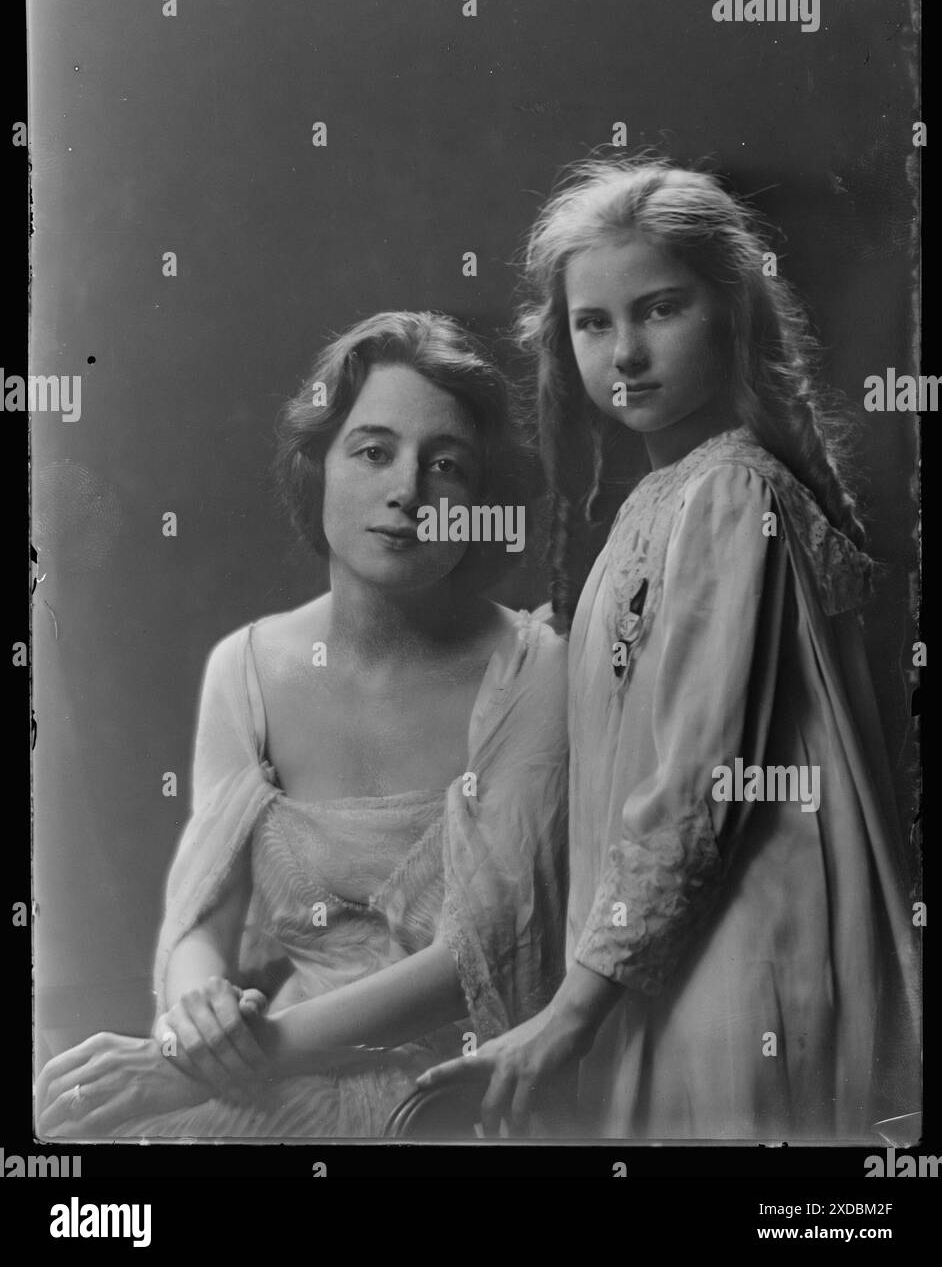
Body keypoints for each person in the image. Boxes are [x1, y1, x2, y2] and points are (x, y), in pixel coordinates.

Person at [418, 155, 921, 1141]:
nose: (627, 353)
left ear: (732, 312)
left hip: (748, 957)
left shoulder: (733, 493)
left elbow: (701, 785)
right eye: (594, 322)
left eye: (660, 309)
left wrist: (574, 1010)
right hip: (668, 961)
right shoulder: (665, 497)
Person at [35, 311, 568, 1139]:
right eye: (372, 450)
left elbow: (479, 960)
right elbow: (198, 926)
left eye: (448, 466)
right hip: (267, 1066)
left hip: (460, 1089)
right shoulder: (245, 669)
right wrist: (196, 1020)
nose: (406, 491)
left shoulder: (535, 670)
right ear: (317, 465)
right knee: (70, 1136)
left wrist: (186, 1068)